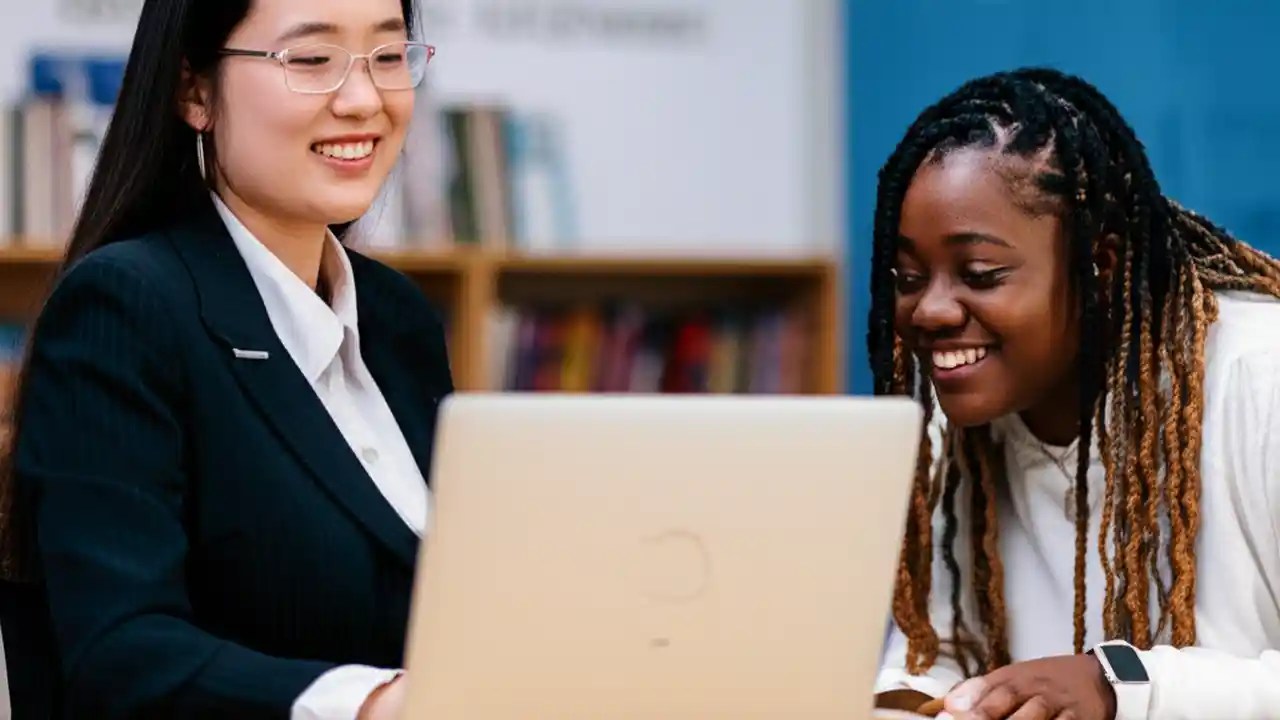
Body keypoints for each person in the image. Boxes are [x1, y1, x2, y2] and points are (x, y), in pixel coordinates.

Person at [0, 0, 451, 718]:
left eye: (389, 57)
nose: (364, 99)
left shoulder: (398, 319)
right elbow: (120, 655)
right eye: (312, 60)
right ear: (195, 92)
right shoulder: (125, 309)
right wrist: (369, 706)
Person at [869, 67, 1280, 720]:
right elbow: (937, 654)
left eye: (980, 273)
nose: (931, 310)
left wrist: (1122, 687)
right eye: (909, 276)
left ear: (1102, 263)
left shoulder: (1262, 377)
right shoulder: (960, 418)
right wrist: (911, 704)